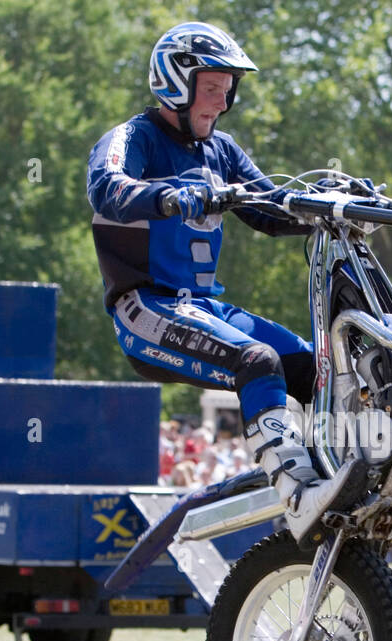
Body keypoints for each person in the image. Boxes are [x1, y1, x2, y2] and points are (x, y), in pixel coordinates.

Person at [86, 21, 363, 543]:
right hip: (146, 307)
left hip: (208, 309)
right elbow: (107, 188)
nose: (223, 100)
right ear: (175, 82)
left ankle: (353, 474)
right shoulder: (134, 138)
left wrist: (333, 202)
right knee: (257, 360)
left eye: (229, 88)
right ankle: (295, 487)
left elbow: (271, 210)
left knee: (312, 367)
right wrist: (168, 195)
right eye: (213, 87)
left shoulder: (223, 150)